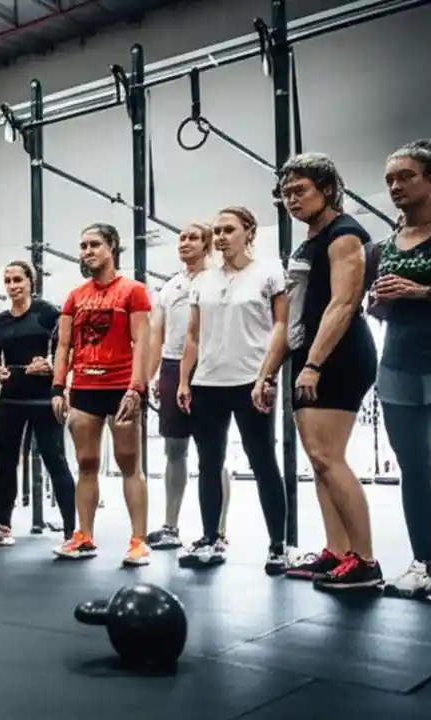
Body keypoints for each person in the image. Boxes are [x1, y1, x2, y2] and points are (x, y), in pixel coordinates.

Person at [261, 153, 380, 591]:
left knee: (329, 457)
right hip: (308, 357)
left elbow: (345, 303)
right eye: (286, 193)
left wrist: (313, 363)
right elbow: (290, 317)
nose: (292, 199)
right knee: (320, 460)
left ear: (327, 189)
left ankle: (366, 560)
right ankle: (338, 551)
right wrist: (268, 372)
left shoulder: (344, 232)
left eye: (300, 190)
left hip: (339, 356)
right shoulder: (307, 242)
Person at [176, 207, 289, 573]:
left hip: (250, 382)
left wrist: (267, 376)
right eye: (218, 230)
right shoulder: (202, 282)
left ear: (249, 232)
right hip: (208, 382)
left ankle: (277, 546)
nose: (222, 236)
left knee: (262, 462)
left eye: (230, 229)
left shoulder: (268, 272)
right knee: (208, 464)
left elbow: (281, 326)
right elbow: (192, 335)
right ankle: (210, 539)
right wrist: (184, 380)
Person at [50, 223, 152, 566]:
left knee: (128, 464)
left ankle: (139, 540)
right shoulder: (75, 296)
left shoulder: (133, 291)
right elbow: (63, 346)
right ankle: (83, 536)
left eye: (94, 244)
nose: (87, 251)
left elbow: (142, 343)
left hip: (121, 388)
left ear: (113, 247)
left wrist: (137, 387)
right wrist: (58, 387)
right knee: (86, 464)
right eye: (83, 245)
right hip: (84, 389)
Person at [371, 141, 431, 598]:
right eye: (390, 180)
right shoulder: (384, 246)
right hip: (398, 366)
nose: (396, 186)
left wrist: (421, 293)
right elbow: (375, 309)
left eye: (406, 176)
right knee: (414, 470)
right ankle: (423, 565)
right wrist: (383, 303)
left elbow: (420, 294)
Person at [145, 223, 229, 551]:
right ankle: (171, 526)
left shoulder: (219, 281)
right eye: (181, 237)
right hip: (171, 365)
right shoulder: (170, 287)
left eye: (193, 237)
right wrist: (151, 376)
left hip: (210, 369)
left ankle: (218, 531)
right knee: (174, 449)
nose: (185, 242)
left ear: (207, 244)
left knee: (213, 455)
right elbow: (157, 335)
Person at [0, 261, 76, 547]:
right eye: (8, 280)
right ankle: (2, 526)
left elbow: (67, 350)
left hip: (43, 398)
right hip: (11, 398)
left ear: (30, 283)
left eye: (18, 280)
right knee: (6, 463)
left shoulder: (47, 313)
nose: (13, 286)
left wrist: (48, 365)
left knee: (54, 459)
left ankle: (72, 532)